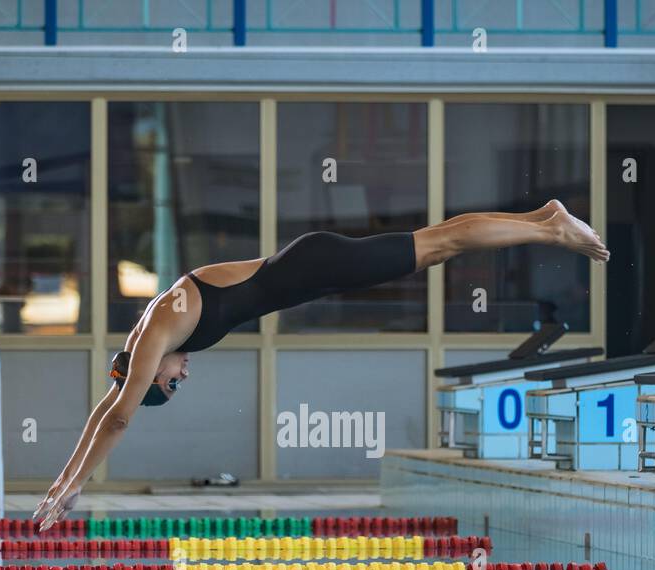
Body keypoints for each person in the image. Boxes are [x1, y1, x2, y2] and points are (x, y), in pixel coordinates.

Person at [33, 200, 608, 529]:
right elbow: (106, 406)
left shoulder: (155, 337)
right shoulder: (147, 339)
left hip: (310, 265)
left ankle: (550, 227)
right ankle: (540, 219)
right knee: (434, 247)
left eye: (172, 385)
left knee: (435, 246)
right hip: (308, 265)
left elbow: (119, 418)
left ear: (155, 373)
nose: (183, 377)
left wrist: (76, 486)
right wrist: (63, 480)